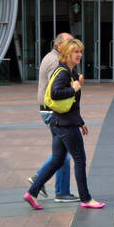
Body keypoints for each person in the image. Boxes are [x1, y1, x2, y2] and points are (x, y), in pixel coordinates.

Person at [24, 38, 104, 211]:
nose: (79, 55)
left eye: (80, 51)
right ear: (67, 53)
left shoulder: (71, 73)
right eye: (76, 52)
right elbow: (55, 93)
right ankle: (86, 198)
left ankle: (32, 193)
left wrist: (80, 121)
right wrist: (74, 88)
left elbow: (71, 104)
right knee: (80, 160)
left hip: (61, 123)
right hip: (65, 125)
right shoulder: (63, 72)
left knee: (57, 160)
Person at [29, 32, 77, 201]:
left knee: (62, 150)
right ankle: (60, 191)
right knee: (64, 151)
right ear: (59, 46)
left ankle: (41, 179)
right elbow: (55, 91)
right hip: (52, 111)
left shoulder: (56, 58)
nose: (74, 47)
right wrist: (74, 87)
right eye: (70, 43)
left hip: (50, 110)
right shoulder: (55, 61)